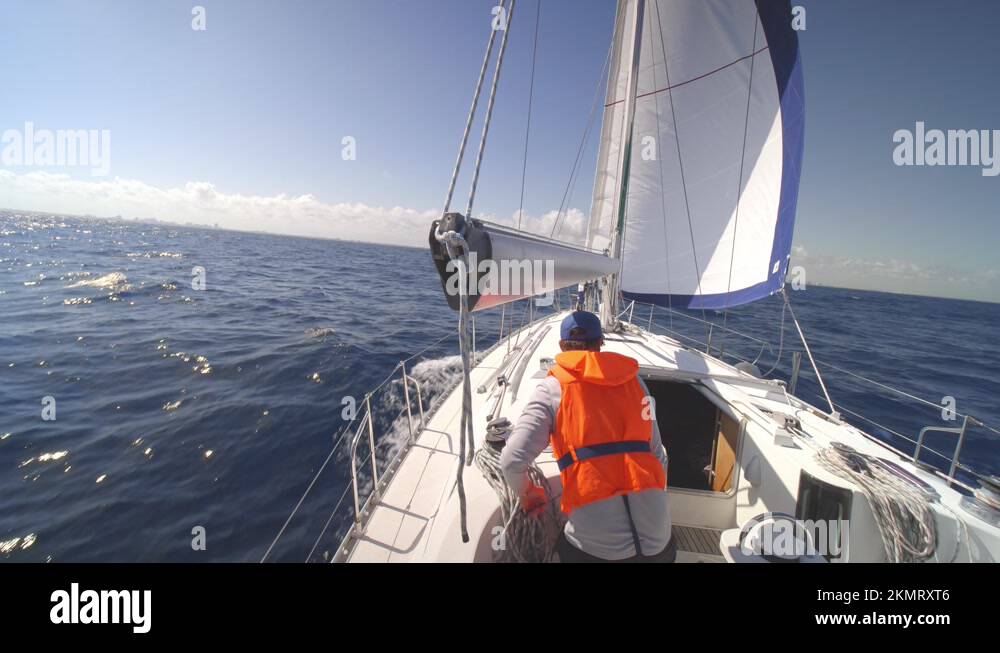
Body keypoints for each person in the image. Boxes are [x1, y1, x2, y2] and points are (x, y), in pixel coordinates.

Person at [500, 310, 675, 563]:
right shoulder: (636, 383)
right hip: (660, 545)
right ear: (601, 343)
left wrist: (528, 493)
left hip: (596, 551)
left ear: (562, 346)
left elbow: (511, 461)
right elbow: (658, 454)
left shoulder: (552, 389)